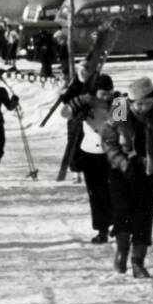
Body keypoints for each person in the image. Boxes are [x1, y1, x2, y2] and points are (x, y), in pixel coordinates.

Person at [100, 77, 153, 279]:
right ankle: (122, 252)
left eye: (147, 103)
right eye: (138, 104)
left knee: (144, 216)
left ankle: (138, 261)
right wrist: (122, 161)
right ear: (131, 101)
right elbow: (108, 138)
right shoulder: (120, 107)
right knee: (122, 212)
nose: (143, 107)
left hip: (149, 172)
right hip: (121, 171)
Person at [61, 73, 115, 242]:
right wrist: (80, 102)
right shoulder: (86, 101)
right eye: (102, 93)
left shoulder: (118, 102)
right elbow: (65, 113)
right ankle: (102, 230)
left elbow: (123, 126)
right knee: (96, 194)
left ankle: (119, 224)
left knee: (115, 191)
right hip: (90, 153)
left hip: (113, 153)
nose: (106, 96)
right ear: (95, 91)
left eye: (109, 92)